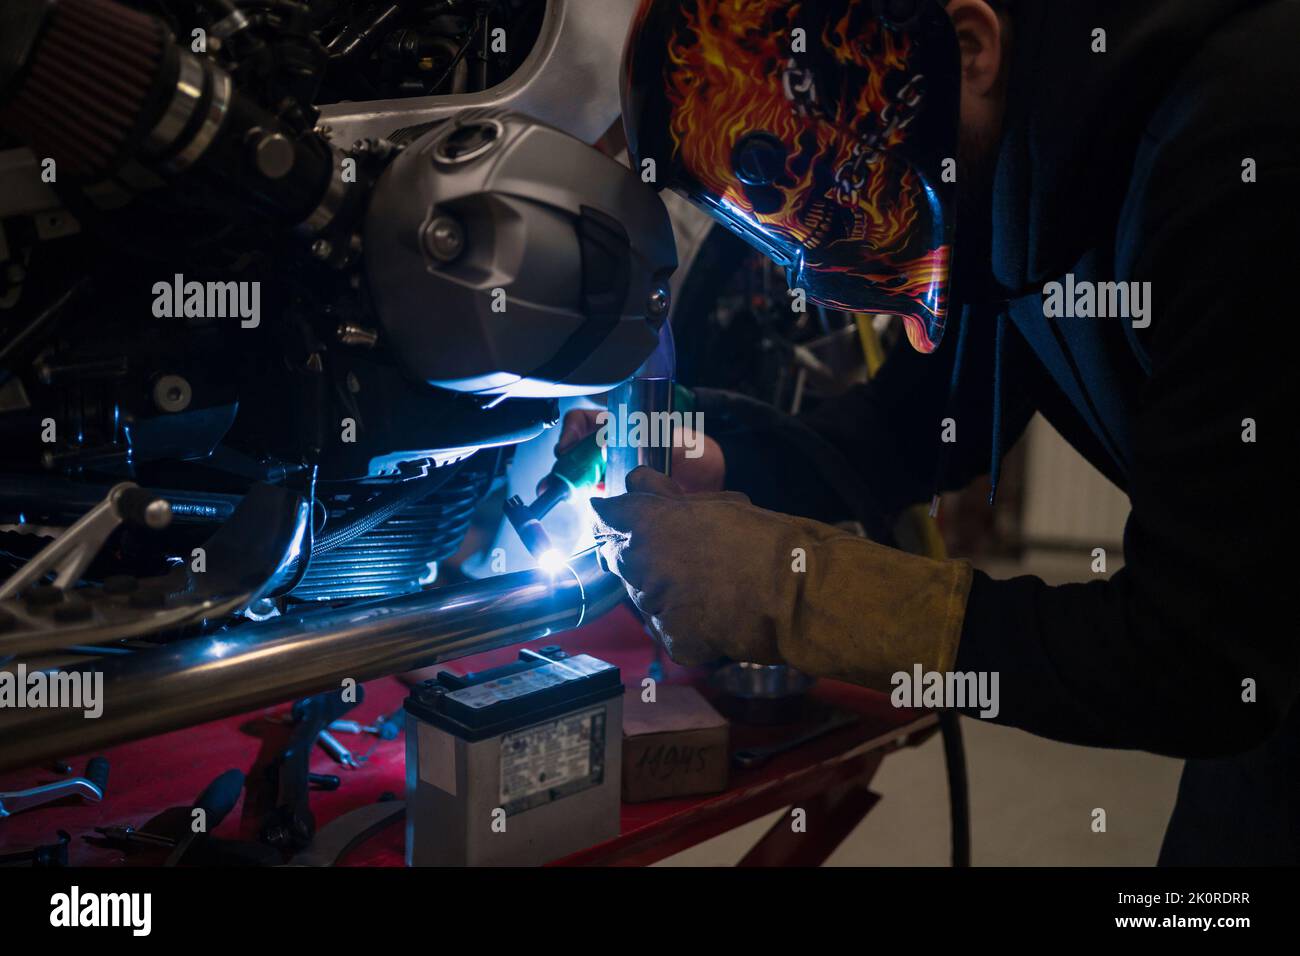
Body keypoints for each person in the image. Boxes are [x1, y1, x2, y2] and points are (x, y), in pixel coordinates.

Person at [574, 0, 1300, 864]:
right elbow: (925, 423)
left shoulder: (1242, 145)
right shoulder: (1013, 153)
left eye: (840, 190)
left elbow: (1197, 660)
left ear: (969, 45)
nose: (839, 261)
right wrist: (729, 461)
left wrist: (794, 594)